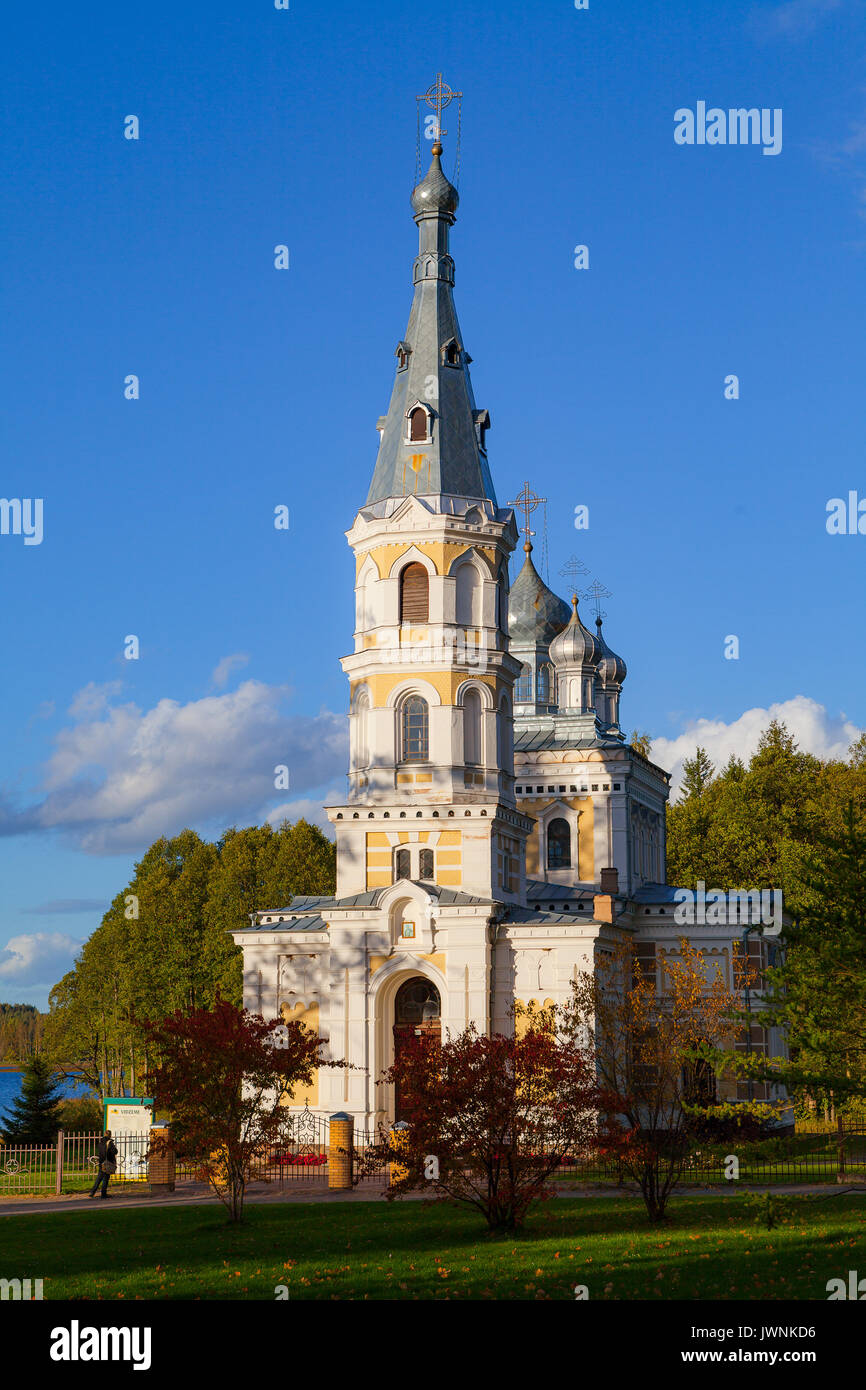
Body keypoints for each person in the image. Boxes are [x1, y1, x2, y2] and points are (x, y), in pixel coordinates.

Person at [88, 1130, 118, 1199]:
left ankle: (92, 1192)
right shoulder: (109, 1143)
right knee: (106, 1178)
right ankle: (103, 1194)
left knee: (99, 1178)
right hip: (108, 1162)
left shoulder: (100, 1142)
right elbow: (115, 1151)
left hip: (101, 1162)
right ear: (110, 1135)